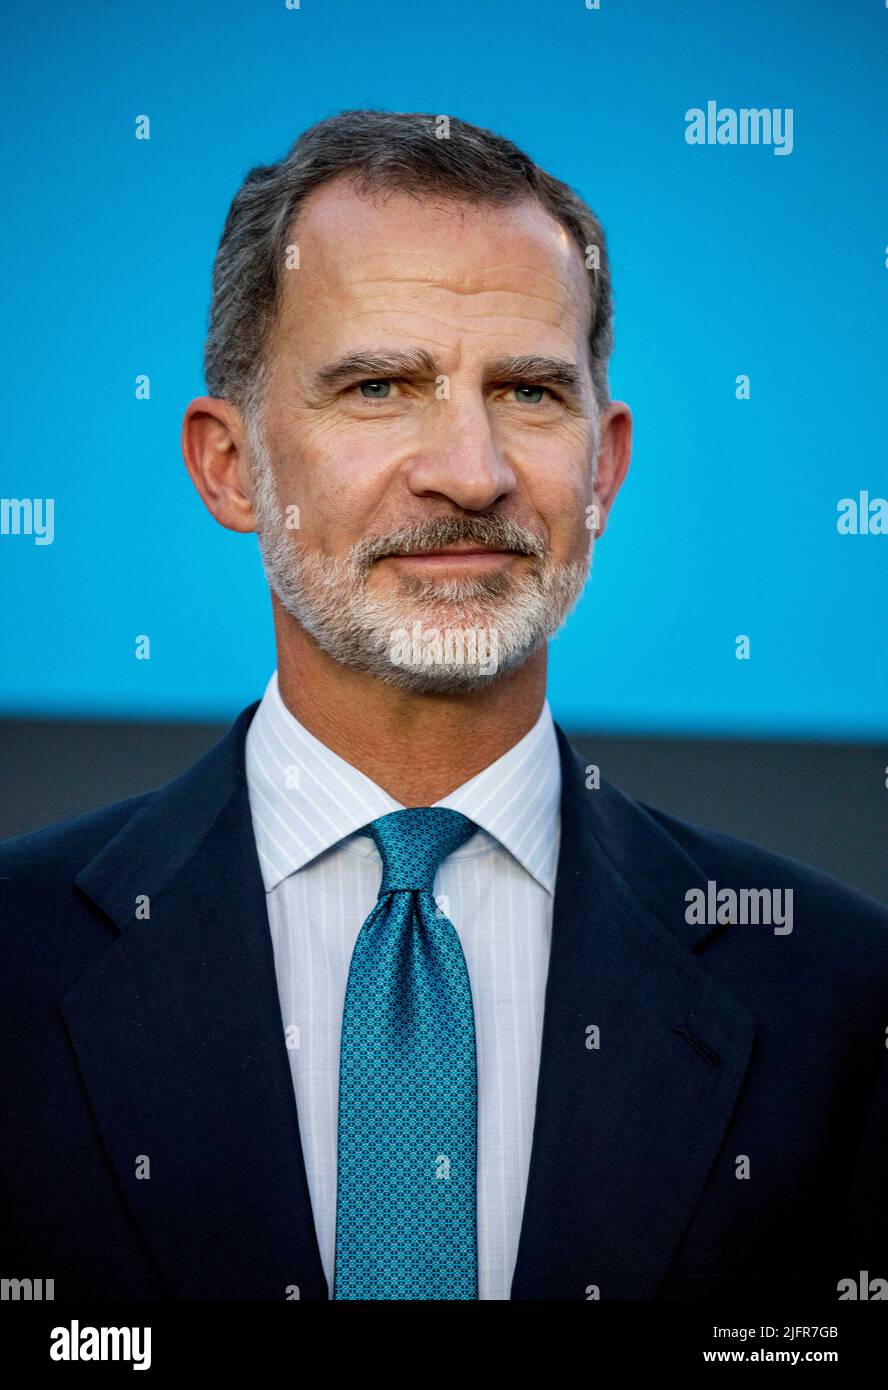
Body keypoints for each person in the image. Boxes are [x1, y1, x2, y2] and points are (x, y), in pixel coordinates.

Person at [2, 110, 885, 1302]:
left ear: (605, 466)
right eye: (379, 386)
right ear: (228, 467)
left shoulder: (841, 994)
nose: (471, 471)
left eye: (527, 391)